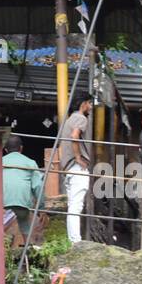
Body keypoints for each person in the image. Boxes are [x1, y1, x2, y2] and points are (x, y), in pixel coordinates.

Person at [58, 99, 92, 243]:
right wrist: (78, 157)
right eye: (90, 103)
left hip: (69, 168)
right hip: (77, 167)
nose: (91, 107)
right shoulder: (80, 118)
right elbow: (75, 135)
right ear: (83, 103)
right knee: (76, 206)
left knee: (73, 205)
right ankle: (75, 242)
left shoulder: (68, 121)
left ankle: (73, 240)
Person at [2, 135, 43, 245]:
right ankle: (27, 248)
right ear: (21, 148)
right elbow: (38, 186)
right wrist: (41, 208)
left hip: (2, 203)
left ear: (5, 150)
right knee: (24, 220)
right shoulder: (30, 162)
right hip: (23, 203)